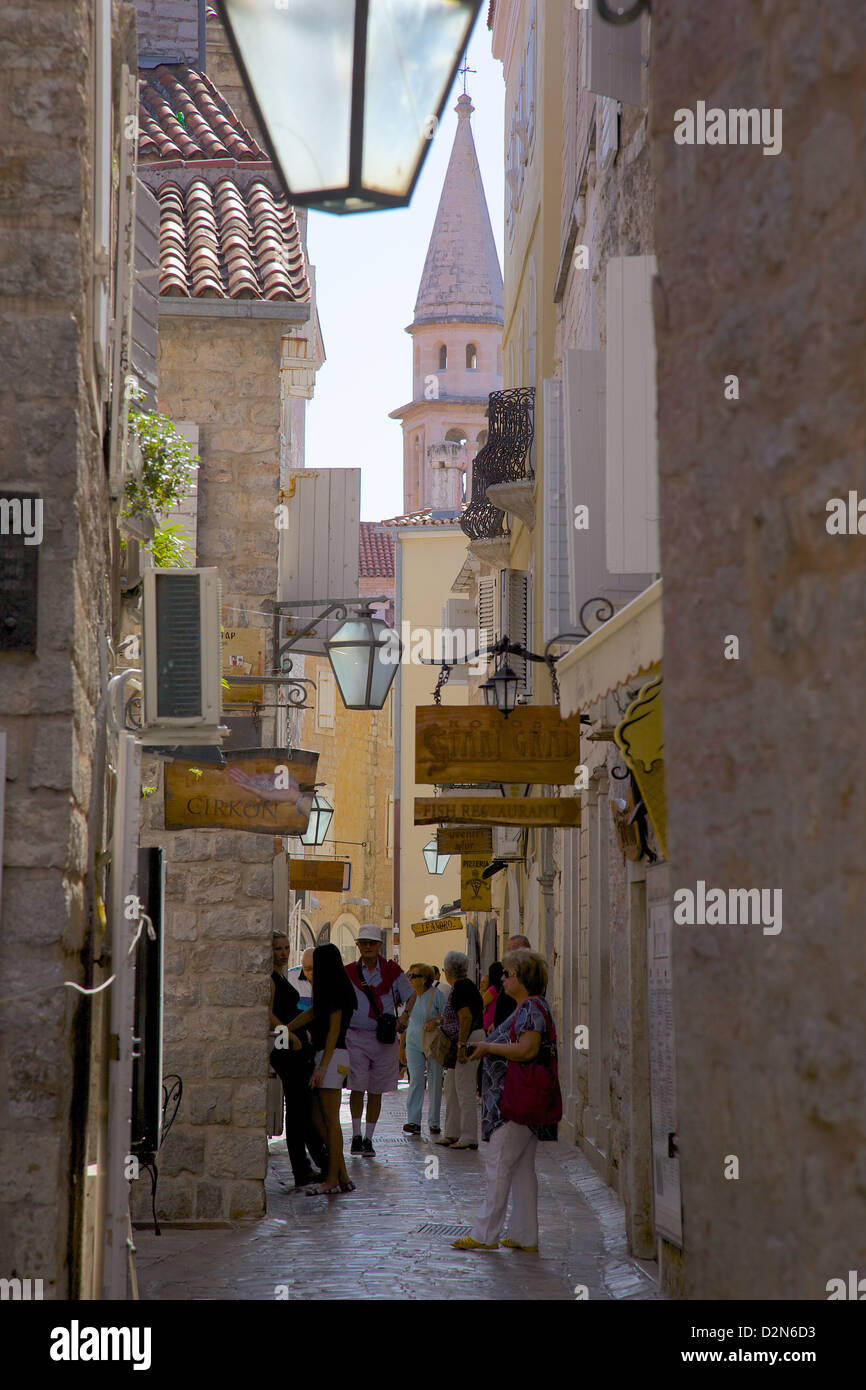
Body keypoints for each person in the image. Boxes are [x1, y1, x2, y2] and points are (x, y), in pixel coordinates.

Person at [452, 950, 558, 1252]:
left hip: (515, 1102)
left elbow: (526, 1050)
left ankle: (485, 1234)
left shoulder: (531, 1010)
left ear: (521, 978)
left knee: (498, 1165)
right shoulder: (528, 1007)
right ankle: (525, 1235)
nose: (502, 978)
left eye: (507, 974)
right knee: (523, 1169)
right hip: (521, 1101)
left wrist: (488, 1047)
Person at [283, 943, 357, 1196]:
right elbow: (312, 1013)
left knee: (331, 1120)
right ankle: (342, 1174)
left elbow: (334, 1033)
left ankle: (333, 1179)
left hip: (332, 1056)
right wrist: (285, 1029)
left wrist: (321, 1068)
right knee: (319, 1118)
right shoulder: (329, 991)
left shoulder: (336, 992)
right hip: (329, 1056)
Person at [345, 925, 414, 1156]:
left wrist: (404, 1017)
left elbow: (411, 996)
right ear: (358, 945)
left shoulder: (392, 970)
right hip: (356, 1035)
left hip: (384, 1038)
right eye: (363, 942)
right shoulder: (349, 972)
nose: (367, 947)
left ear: (379, 946)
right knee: (356, 1086)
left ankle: (368, 1139)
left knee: (376, 1090)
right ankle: (355, 1136)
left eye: (371, 943)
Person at [268, 934, 327, 1188]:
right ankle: (302, 1168)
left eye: (286, 948)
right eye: (277, 948)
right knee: (296, 1109)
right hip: (287, 1049)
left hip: (297, 1047)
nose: (283, 953)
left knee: (301, 1107)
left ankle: (316, 1162)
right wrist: (289, 1034)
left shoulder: (282, 976)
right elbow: (267, 1012)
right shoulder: (270, 980)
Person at [435, 949, 485, 1150]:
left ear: (447, 970)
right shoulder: (463, 986)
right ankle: (452, 1132)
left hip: (468, 1040)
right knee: (451, 1087)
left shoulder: (463, 988)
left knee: (464, 1089)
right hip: (463, 1040)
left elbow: (465, 1018)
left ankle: (469, 1136)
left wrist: (462, 1046)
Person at [402, 963, 445, 1135]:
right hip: (412, 1042)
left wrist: (435, 1022)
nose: (410, 979)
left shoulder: (437, 995)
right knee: (416, 1081)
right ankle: (413, 1121)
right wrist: (401, 1046)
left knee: (435, 1080)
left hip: (432, 1042)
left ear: (425, 979)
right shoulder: (411, 996)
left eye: (414, 976)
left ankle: (434, 1122)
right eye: (409, 975)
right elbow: (406, 1022)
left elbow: (447, 1017)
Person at [483, 961, 517, 1033]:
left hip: (489, 1022)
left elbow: (481, 1004)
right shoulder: (502, 988)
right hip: (498, 1022)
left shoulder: (492, 989)